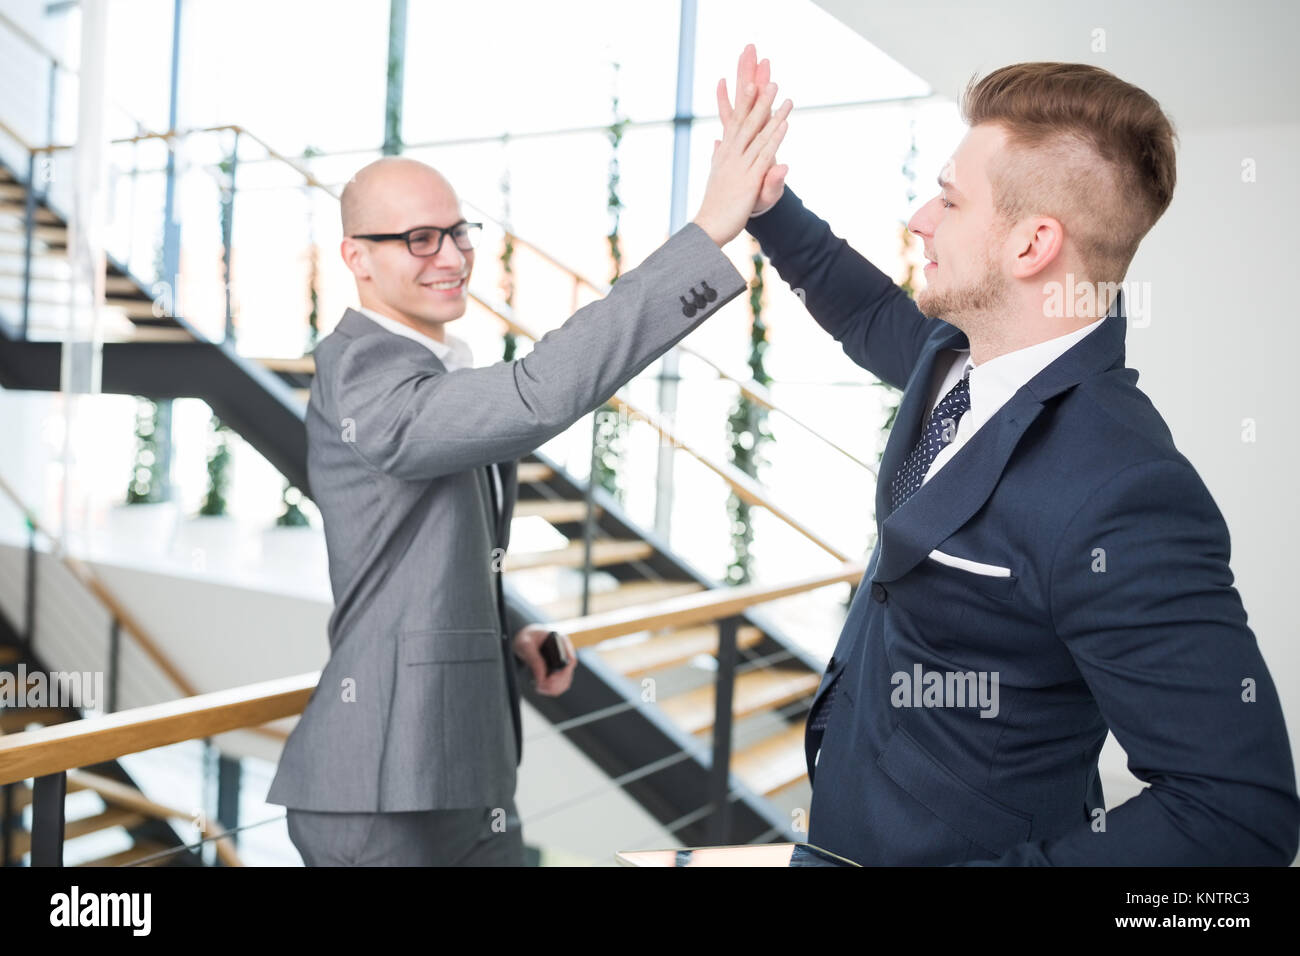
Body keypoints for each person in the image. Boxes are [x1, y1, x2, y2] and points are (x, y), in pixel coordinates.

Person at [723, 51, 1299, 864]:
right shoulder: (953, 355)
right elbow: (859, 308)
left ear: (1032, 245)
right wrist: (767, 207)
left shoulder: (1121, 488)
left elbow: (1236, 817)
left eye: (951, 200)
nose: (922, 218)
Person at [265, 51, 793, 866]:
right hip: (382, 788)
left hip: (463, 770)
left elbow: (416, 552)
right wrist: (709, 231)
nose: (450, 255)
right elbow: (536, 397)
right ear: (356, 258)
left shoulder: (431, 368)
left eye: (457, 230)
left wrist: (506, 631)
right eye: (416, 238)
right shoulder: (361, 372)